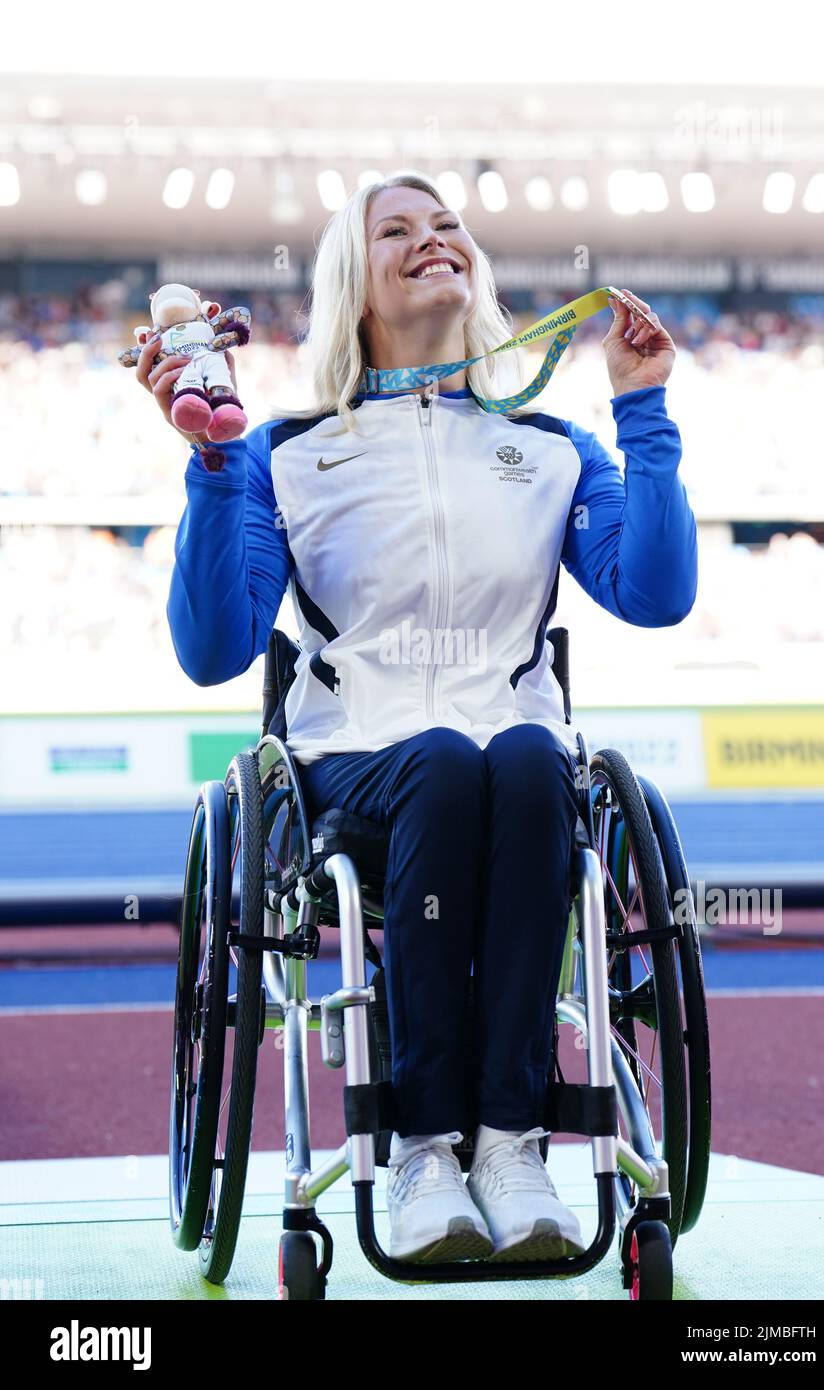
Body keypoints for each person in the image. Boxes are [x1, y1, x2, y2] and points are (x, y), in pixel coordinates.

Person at [141, 171, 697, 1266]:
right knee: (443, 760)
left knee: (527, 756)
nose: (431, 238)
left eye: (446, 225)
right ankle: (424, 1150)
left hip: (516, 754)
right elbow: (213, 649)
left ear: (473, 268)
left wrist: (642, 410)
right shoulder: (286, 452)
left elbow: (655, 592)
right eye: (394, 229)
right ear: (354, 285)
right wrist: (212, 465)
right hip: (354, 757)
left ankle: (510, 1145)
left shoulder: (551, 446)